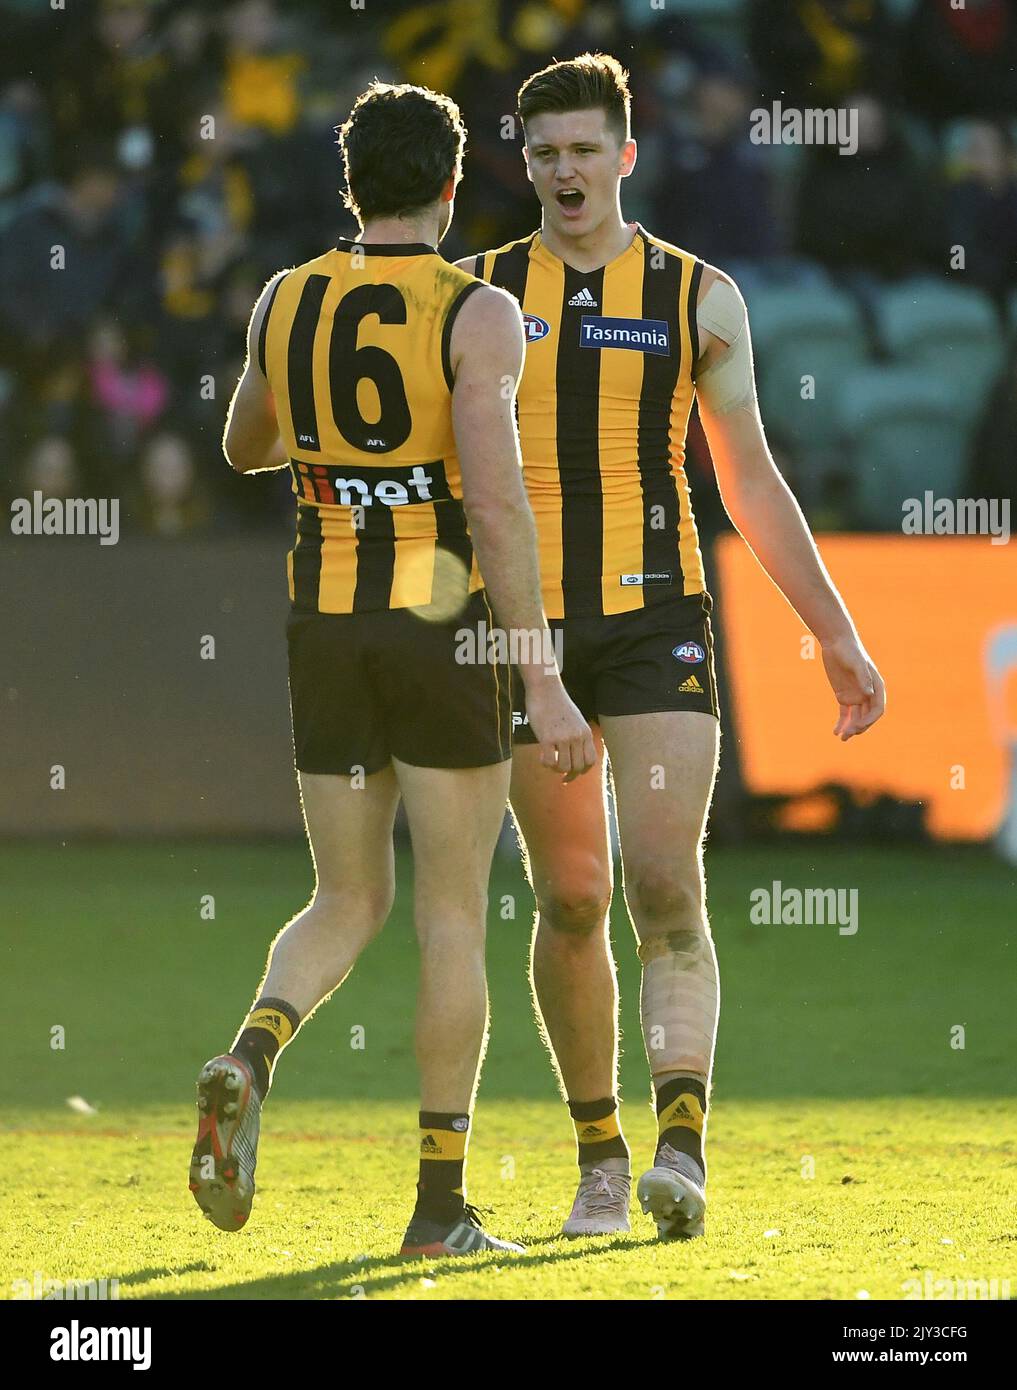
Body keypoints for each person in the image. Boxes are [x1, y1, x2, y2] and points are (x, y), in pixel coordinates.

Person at [459, 52, 886, 1241]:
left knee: (661, 881)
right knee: (574, 896)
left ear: (626, 156)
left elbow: (748, 478)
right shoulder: (482, 294)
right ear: (527, 162)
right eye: (543, 153)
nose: (564, 172)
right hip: (530, 630)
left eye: (585, 149)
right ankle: (599, 1152)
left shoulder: (698, 294)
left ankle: (681, 1145)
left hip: (658, 619)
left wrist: (834, 632)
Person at [189, 79, 594, 1258]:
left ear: (350, 183)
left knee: (343, 896)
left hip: (322, 622)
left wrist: (334, 452)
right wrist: (542, 672)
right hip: (439, 626)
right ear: (459, 186)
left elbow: (241, 445)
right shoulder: (476, 313)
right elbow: (499, 503)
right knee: (451, 912)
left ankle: (251, 1048)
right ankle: (437, 1208)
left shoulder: (285, 298)